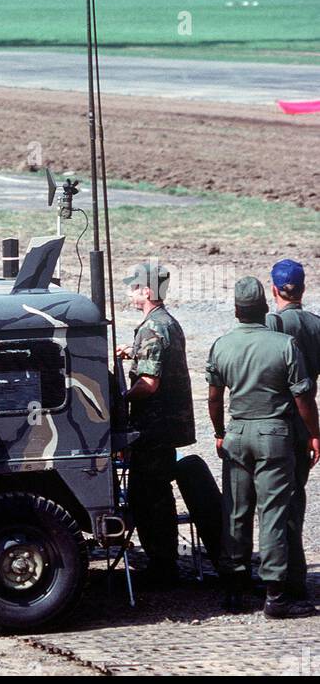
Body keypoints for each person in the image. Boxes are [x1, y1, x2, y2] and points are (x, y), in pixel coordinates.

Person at [206, 275, 320, 618]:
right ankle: (275, 594)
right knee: (273, 513)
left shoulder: (222, 344)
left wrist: (220, 431)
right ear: (264, 307)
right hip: (274, 434)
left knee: (236, 510)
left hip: (237, 432)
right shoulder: (284, 345)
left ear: (237, 310)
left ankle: (234, 589)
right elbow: (303, 398)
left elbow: (214, 397)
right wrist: (314, 433)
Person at [118, 260, 195, 586]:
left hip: (154, 428)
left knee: (148, 495)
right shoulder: (167, 323)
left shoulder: (152, 328)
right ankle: (163, 560)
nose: (131, 293)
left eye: (134, 288)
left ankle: (163, 565)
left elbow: (149, 384)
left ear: (147, 291)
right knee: (154, 492)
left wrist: (118, 402)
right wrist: (132, 354)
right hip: (166, 426)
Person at [266, 258, 320, 599]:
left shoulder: (271, 325)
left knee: (272, 505)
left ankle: (281, 579)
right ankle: (292, 575)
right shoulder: (316, 325)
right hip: (303, 426)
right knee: (294, 501)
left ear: (274, 289)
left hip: (274, 423)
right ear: (302, 288)